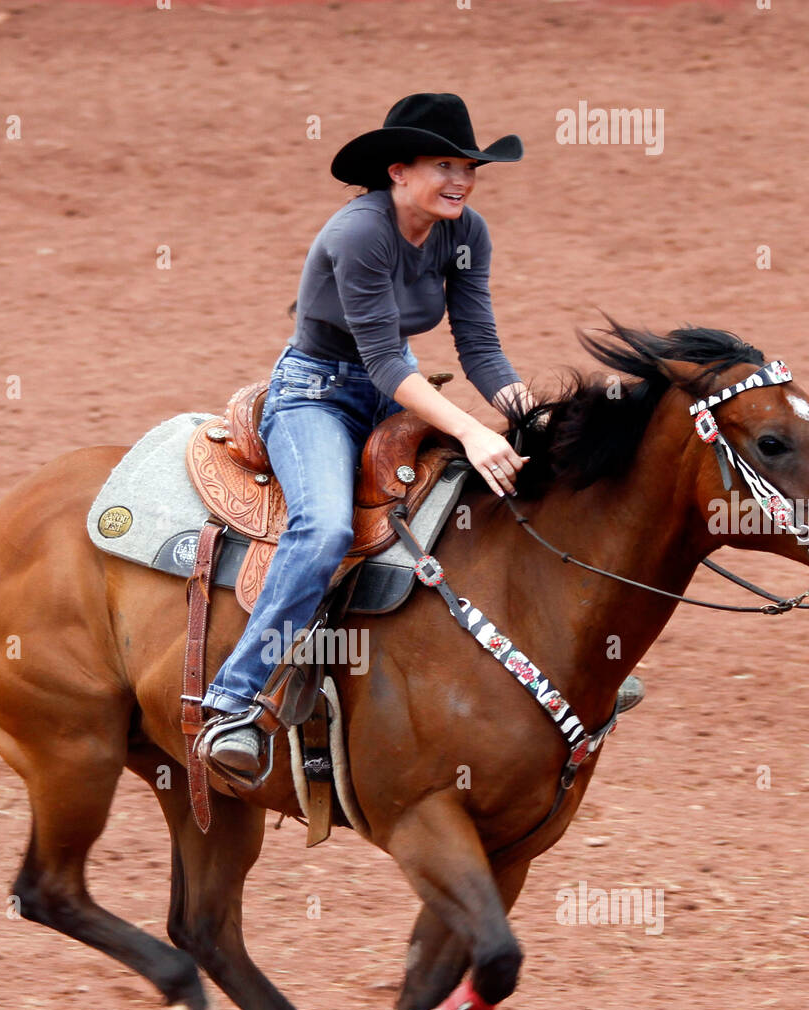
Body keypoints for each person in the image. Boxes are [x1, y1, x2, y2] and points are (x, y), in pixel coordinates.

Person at [199, 93, 635, 781]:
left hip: (396, 394)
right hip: (317, 395)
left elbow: (480, 346)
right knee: (322, 531)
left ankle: (566, 657)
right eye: (444, 165)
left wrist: (527, 416)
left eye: (470, 167)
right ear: (398, 172)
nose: (460, 180)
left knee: (522, 483)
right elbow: (383, 359)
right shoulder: (357, 235)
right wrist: (467, 428)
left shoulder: (467, 235)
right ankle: (234, 702)